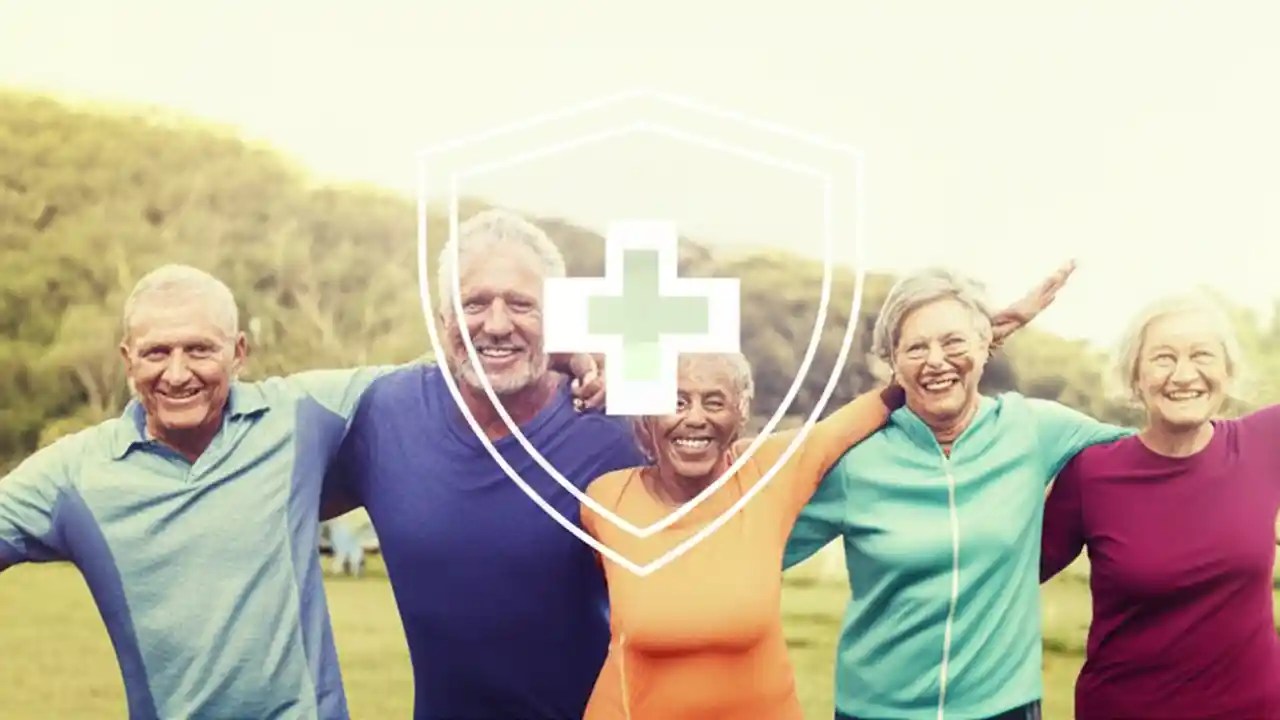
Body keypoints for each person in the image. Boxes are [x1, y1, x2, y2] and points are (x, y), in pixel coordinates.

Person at [0, 263, 599, 719]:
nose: (178, 373)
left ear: (238, 353)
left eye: (200, 349)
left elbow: (441, 373)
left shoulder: (302, 416)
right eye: (157, 352)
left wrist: (564, 352)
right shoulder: (74, 476)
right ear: (128, 361)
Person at [577, 267, 1070, 720]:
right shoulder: (604, 502)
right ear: (645, 412)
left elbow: (876, 404)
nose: (695, 417)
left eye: (715, 401)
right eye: (675, 401)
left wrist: (979, 344)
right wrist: (585, 367)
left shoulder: (772, 471)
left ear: (741, 415)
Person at [323, 209, 647, 720]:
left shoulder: (616, 431)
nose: (496, 325)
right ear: (443, 319)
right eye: (474, 304)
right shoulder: (387, 415)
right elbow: (282, 499)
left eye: (522, 304)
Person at [783, 266, 1133, 720]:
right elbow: (760, 544)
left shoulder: (1033, 429)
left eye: (953, 342)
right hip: (876, 711)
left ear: (987, 346)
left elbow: (1153, 454)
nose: (935, 361)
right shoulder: (857, 461)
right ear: (892, 363)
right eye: (915, 347)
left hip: (1003, 708)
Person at [1041, 292, 1280, 720]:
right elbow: (1009, 576)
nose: (1184, 375)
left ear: (1227, 372)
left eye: (1202, 355)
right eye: (1163, 358)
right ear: (1136, 376)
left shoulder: (1265, 441)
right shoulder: (1092, 472)